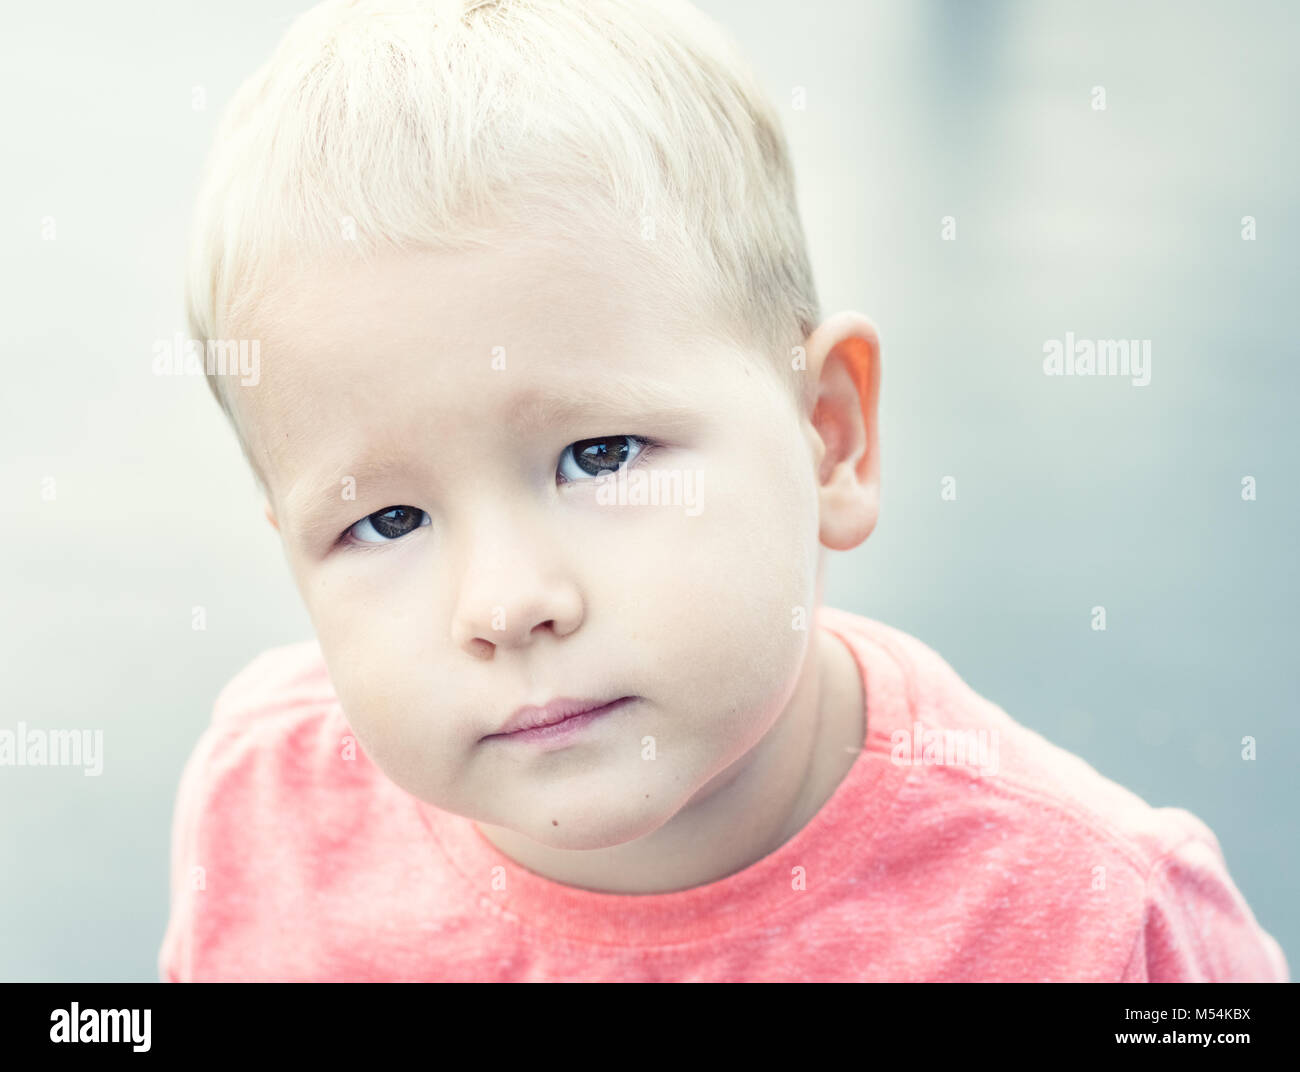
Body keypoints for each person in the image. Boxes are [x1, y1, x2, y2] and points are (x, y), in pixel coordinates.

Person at [159, 0, 1287, 982]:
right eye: (386, 519)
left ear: (827, 438)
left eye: (597, 456)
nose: (505, 603)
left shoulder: (1087, 916)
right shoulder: (266, 812)